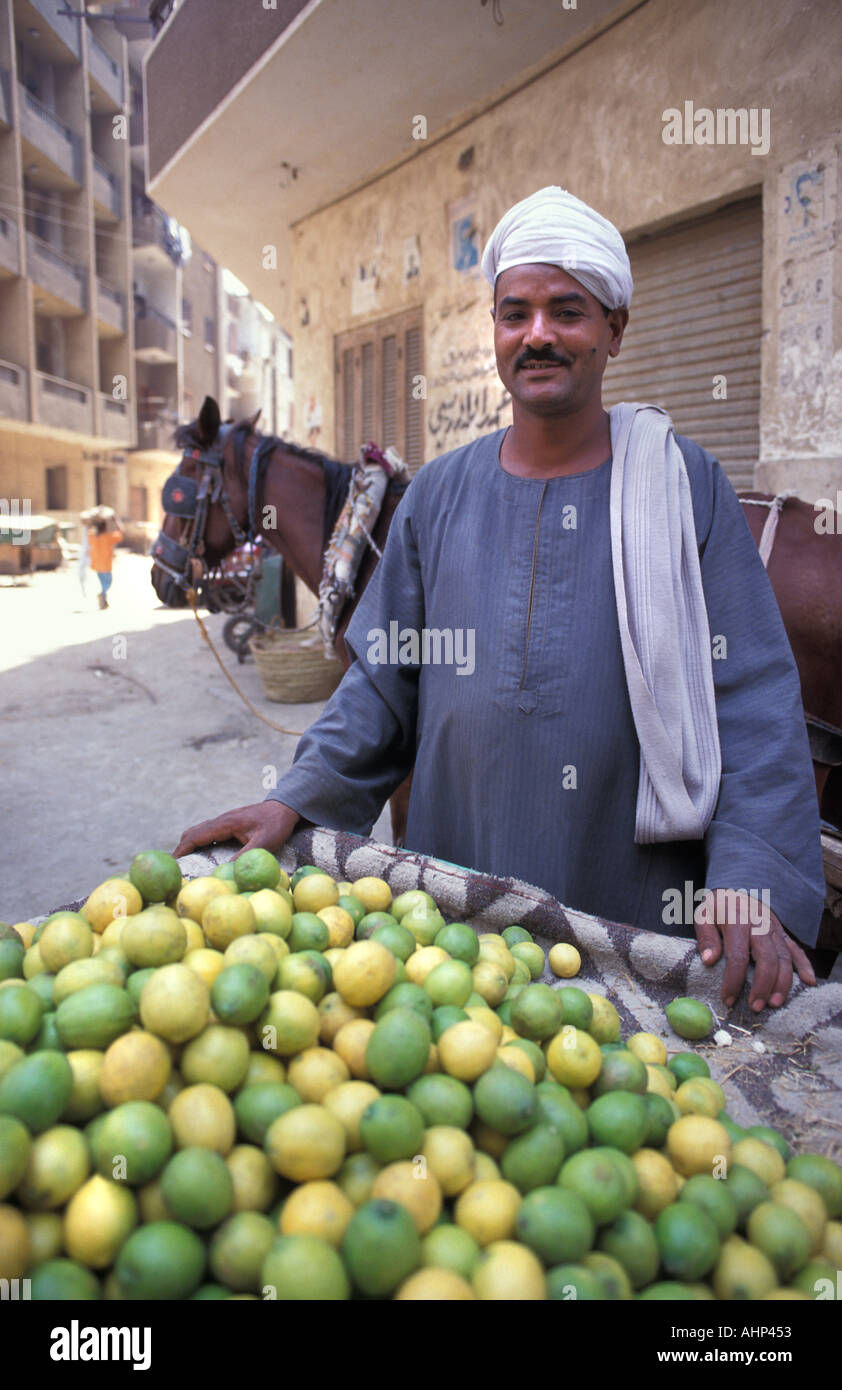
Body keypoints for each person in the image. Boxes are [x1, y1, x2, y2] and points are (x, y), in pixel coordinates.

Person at [175, 186, 825, 1013]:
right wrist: (291, 799)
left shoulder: (684, 485)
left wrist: (752, 877)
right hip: (452, 922)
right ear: (495, 333)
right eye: (514, 313)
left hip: (632, 926)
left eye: (568, 310)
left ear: (614, 329)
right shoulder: (440, 494)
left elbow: (756, 697)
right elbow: (381, 686)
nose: (539, 334)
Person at [88, 517, 122, 610]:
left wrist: (91, 522)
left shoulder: (93, 537)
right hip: (105, 564)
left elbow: (88, 531)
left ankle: (104, 601)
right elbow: (120, 534)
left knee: (103, 583)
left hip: (97, 564)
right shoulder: (108, 537)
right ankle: (102, 595)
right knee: (107, 583)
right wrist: (116, 522)